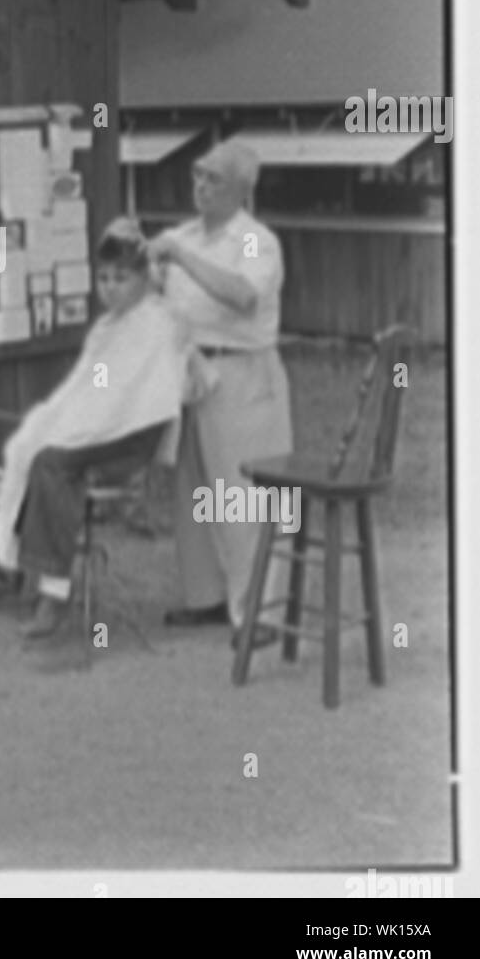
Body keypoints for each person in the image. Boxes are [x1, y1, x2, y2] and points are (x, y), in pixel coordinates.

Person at [0, 218, 189, 640]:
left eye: (121, 278)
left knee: (52, 462)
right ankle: (31, 568)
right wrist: (64, 419)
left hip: (131, 438)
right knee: (27, 450)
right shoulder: (106, 330)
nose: (111, 287)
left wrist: (84, 425)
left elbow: (133, 394)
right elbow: (94, 386)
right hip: (105, 428)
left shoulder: (155, 324)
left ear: (143, 278)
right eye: (103, 278)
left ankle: (54, 593)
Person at [149, 138, 293, 647]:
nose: (201, 187)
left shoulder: (255, 241)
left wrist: (182, 259)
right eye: (198, 176)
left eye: (213, 179)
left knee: (242, 498)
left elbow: (242, 296)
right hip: (191, 373)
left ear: (240, 190)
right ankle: (206, 596)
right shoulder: (183, 235)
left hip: (242, 374)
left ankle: (261, 611)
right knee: (196, 492)